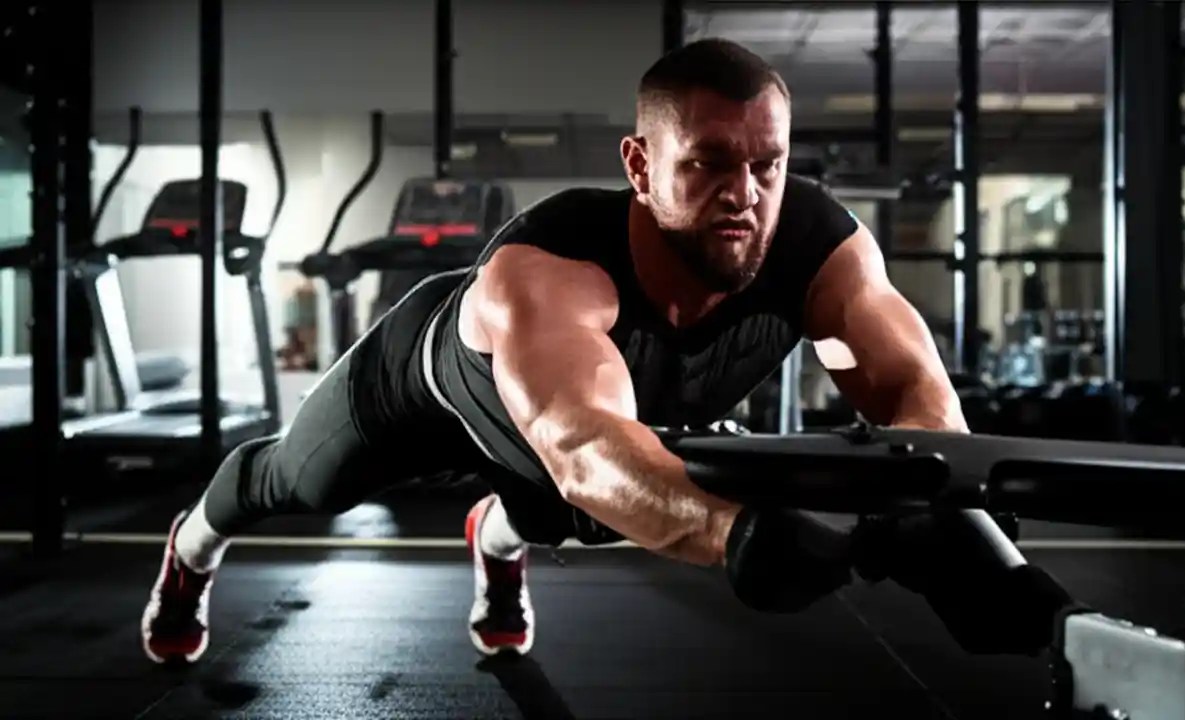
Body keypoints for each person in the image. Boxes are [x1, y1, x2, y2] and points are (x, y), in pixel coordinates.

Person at [141, 38, 977, 665]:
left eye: (768, 164)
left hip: (578, 425)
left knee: (583, 505)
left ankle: (497, 538)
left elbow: (911, 388)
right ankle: (191, 548)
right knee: (300, 479)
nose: (745, 195)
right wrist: (738, 535)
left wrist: (941, 492)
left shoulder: (819, 251)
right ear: (640, 165)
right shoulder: (553, 268)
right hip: (424, 388)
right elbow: (583, 450)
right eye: (709, 164)